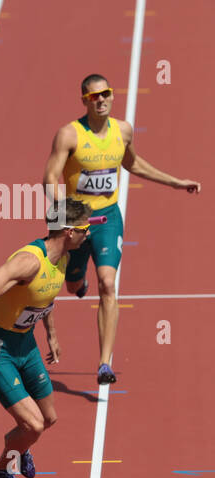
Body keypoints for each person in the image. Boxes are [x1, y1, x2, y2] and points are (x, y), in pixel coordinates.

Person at [42, 74, 201, 385]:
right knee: (72, 288)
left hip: (108, 218)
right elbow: (50, 176)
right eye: (93, 96)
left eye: (105, 94)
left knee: (108, 284)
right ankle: (78, 280)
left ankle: (104, 364)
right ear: (84, 101)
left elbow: (133, 164)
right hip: (76, 224)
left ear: (112, 96)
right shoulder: (69, 135)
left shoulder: (123, 131)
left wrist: (175, 182)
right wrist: (66, 214)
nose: (100, 100)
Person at [0, 199, 96, 478]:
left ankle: (20, 444)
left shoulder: (62, 256)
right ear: (67, 231)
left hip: (26, 344)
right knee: (34, 425)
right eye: (84, 229)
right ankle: (2, 468)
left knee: (48, 418)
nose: (87, 234)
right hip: (0, 348)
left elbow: (44, 296)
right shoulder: (29, 261)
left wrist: (51, 333)